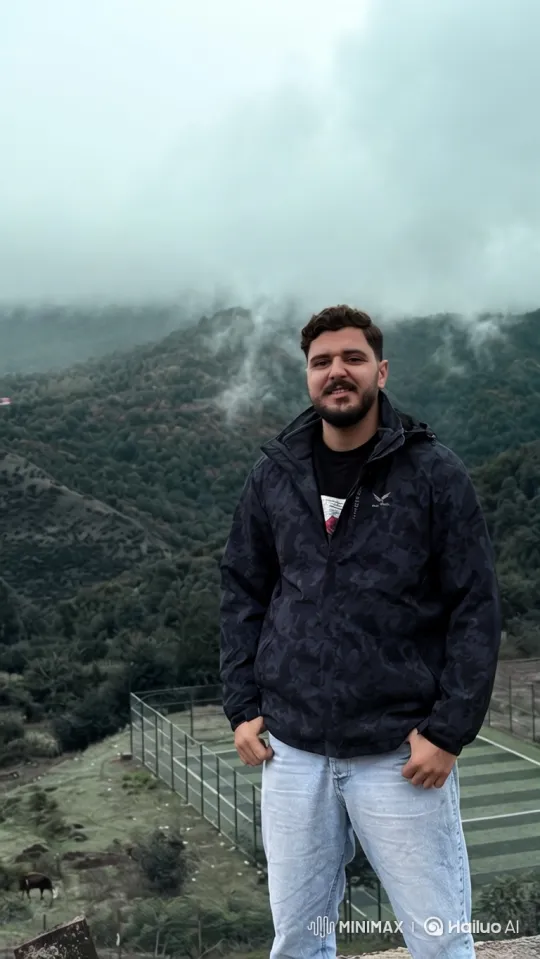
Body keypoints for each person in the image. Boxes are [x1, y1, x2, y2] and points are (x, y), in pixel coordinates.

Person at [219, 305, 501, 959]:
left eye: (350, 358)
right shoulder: (275, 475)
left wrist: (447, 732)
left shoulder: (434, 476)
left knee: (437, 939)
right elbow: (242, 589)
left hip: (400, 754)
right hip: (293, 749)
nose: (336, 372)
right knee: (297, 938)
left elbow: (476, 608)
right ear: (308, 377)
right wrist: (242, 705)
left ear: (380, 368)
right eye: (321, 362)